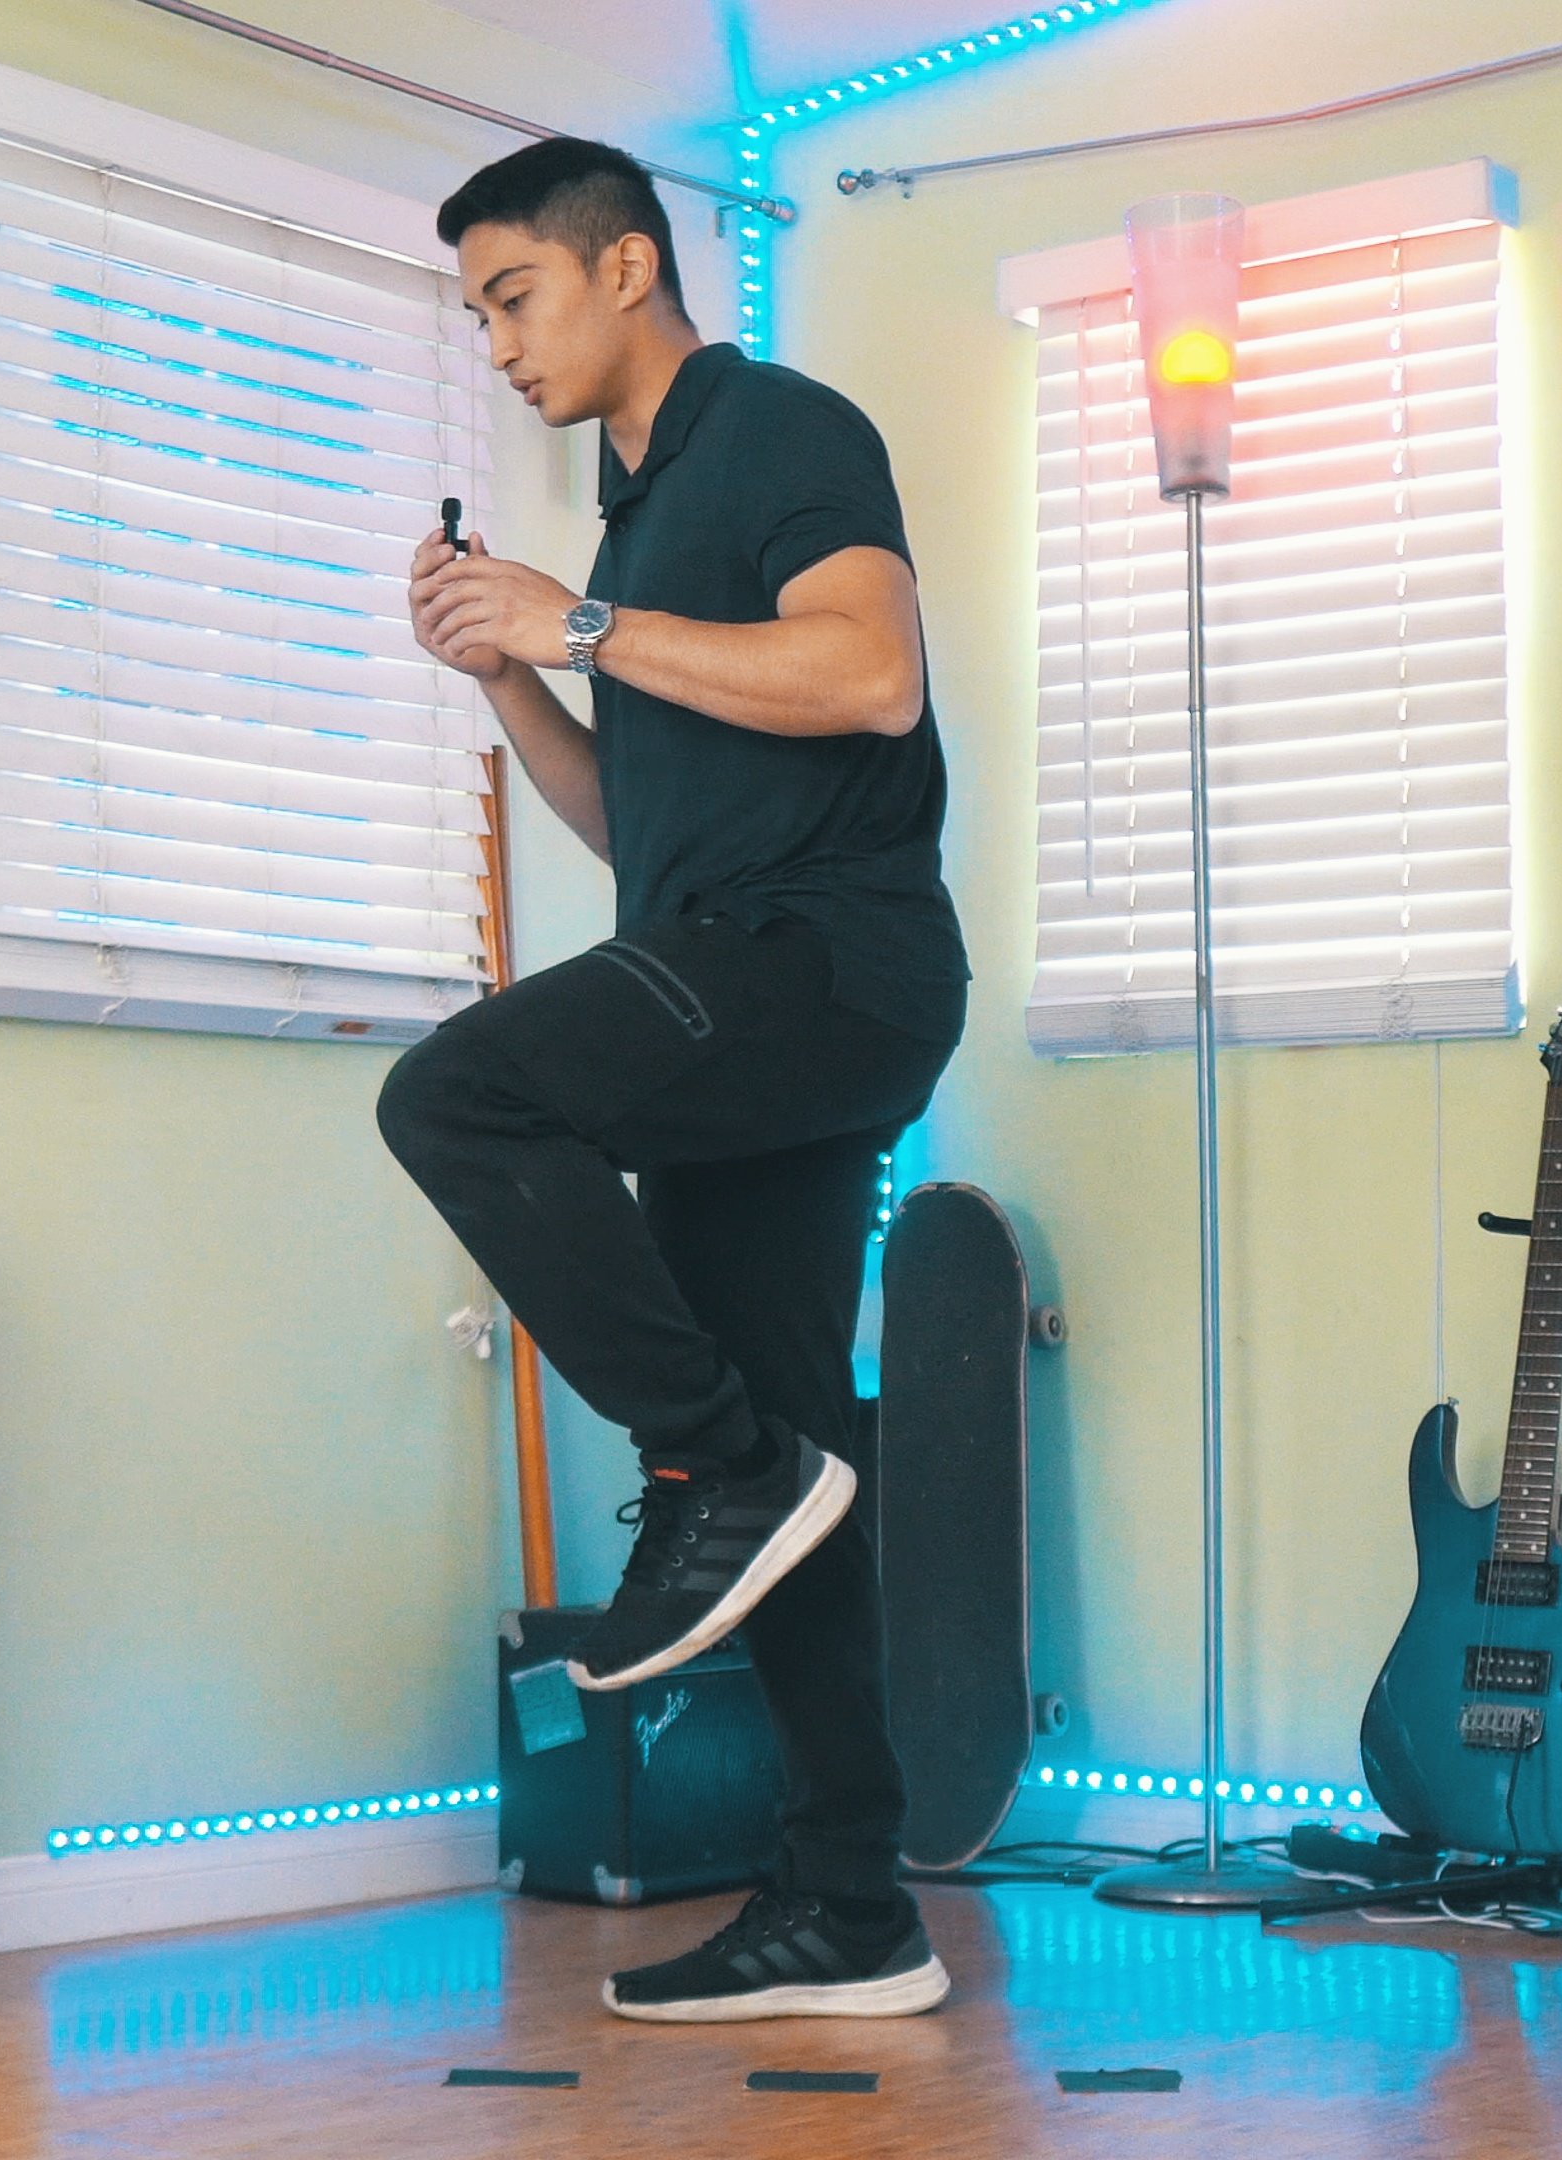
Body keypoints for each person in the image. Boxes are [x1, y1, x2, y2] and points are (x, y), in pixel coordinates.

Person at [381, 137, 964, 2025]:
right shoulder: (634, 538)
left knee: (454, 1097)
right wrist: (509, 670)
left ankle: (717, 1459)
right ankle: (852, 1907)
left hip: (828, 966)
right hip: (731, 965)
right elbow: (638, 829)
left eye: (514, 297)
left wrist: (575, 621)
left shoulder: (780, 426)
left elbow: (872, 676)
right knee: (799, 1455)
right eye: (478, 314)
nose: (497, 345)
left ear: (625, 266)